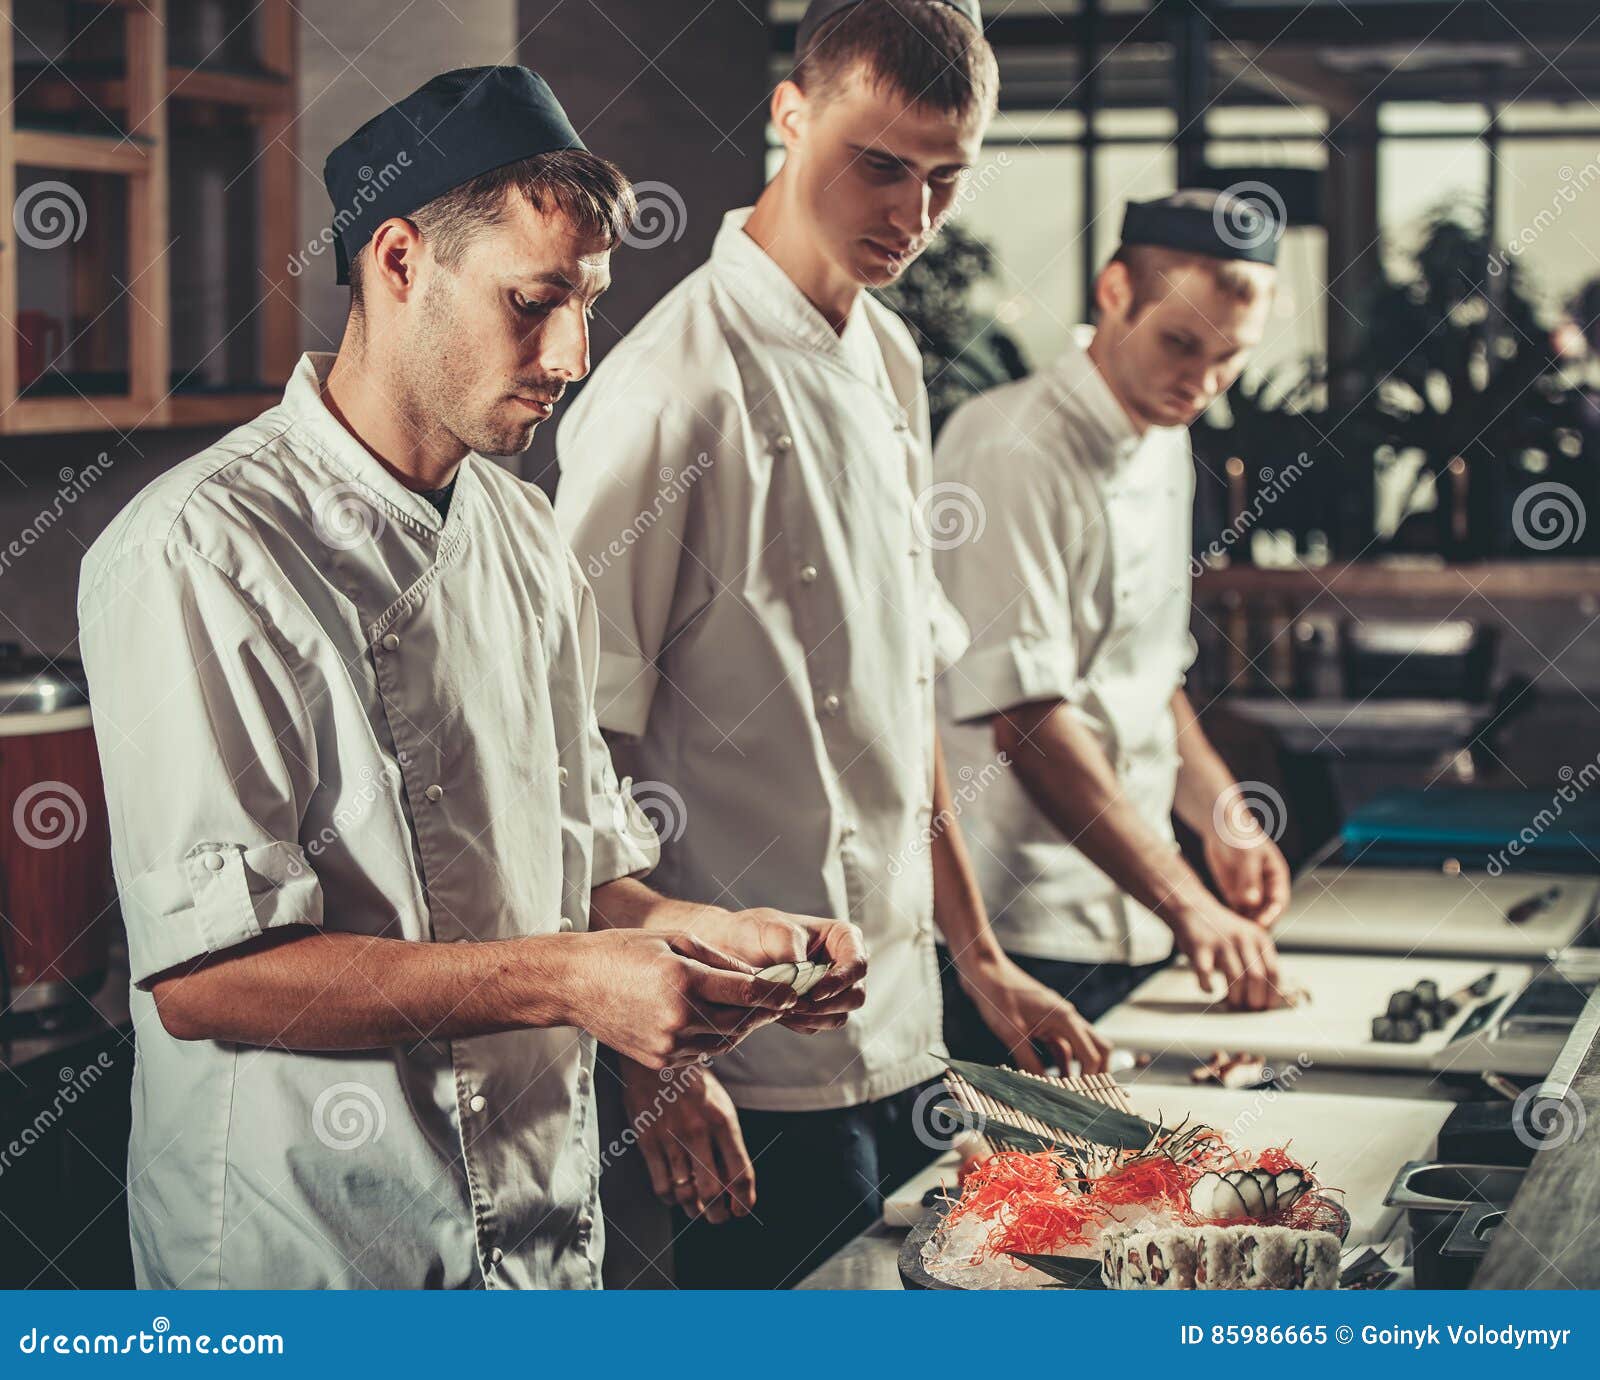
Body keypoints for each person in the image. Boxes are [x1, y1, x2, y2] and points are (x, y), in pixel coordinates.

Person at [76, 66, 864, 1291]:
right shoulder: (201, 547)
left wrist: (704, 948)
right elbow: (206, 979)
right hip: (315, 1256)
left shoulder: (522, 528)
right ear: (398, 261)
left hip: (539, 1236)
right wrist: (572, 982)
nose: (572, 353)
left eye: (589, 304)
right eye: (535, 301)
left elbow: (583, 872)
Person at [555, 0, 1111, 1291]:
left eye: (945, 178)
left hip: (908, 1028)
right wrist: (664, 1061)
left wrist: (979, 960)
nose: (913, 216)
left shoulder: (894, 360)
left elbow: (904, 696)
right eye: (880, 164)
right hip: (747, 1065)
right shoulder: (665, 390)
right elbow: (567, 762)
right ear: (789, 115)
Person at [933, 190, 1294, 1062]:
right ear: (1113, 292)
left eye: (1228, 359)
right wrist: (1188, 901)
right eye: (1180, 343)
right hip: (1022, 926)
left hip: (1131, 912)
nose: (1203, 383)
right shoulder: (1007, 448)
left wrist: (1220, 816)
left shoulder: (1164, 438)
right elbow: (1028, 718)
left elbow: (1142, 676)